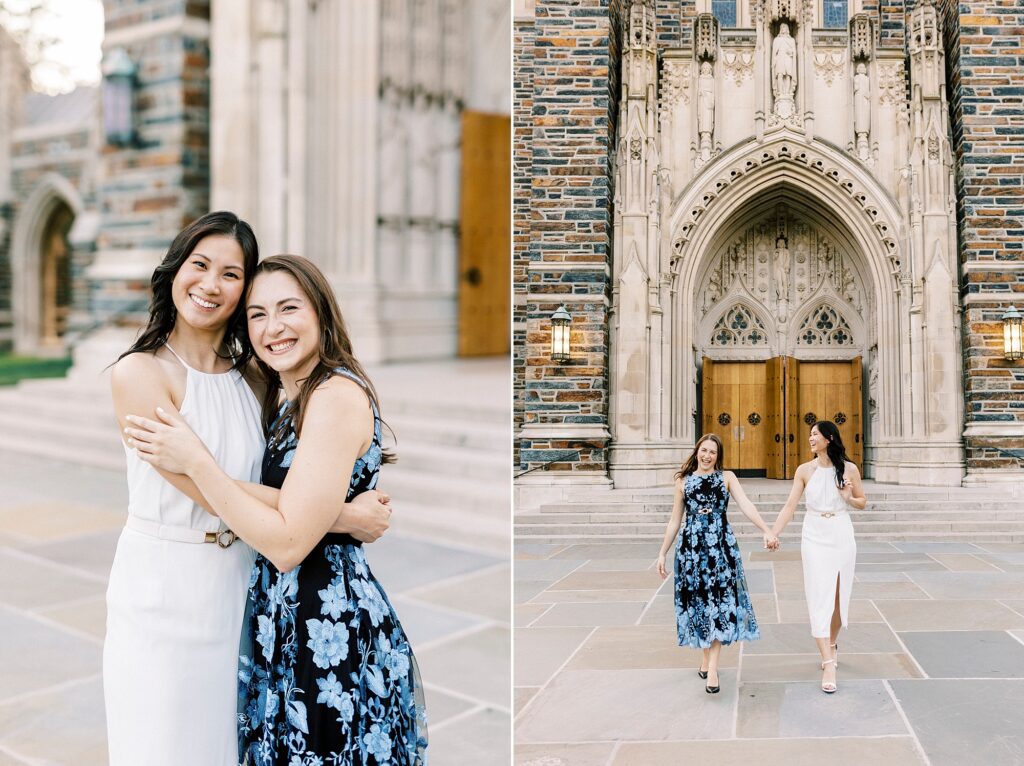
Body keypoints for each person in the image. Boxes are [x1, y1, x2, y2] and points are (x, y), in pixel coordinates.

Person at [105, 214, 390, 766]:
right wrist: (344, 518)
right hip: (165, 587)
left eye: (231, 274)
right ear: (174, 271)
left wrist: (322, 509)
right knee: (162, 742)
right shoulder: (139, 374)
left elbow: (279, 487)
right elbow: (200, 490)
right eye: (200, 266)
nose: (211, 285)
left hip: (243, 583)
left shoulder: (259, 381)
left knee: (233, 747)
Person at [656, 433, 778, 694]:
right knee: (699, 603)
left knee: (719, 603)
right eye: (704, 450)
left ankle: (713, 669)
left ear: (718, 456)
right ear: (697, 451)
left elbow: (746, 505)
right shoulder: (683, 481)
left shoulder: (727, 478)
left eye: (712, 451)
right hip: (691, 551)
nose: (707, 455)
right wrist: (662, 552)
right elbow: (675, 520)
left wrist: (766, 530)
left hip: (720, 549)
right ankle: (705, 656)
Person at [769, 420, 867, 694]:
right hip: (814, 534)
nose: (810, 438)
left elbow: (862, 502)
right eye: (810, 434)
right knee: (817, 595)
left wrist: (847, 496)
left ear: (829, 439)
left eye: (815, 434)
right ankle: (828, 662)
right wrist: (773, 532)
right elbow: (790, 506)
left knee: (837, 596)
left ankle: (831, 643)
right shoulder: (804, 470)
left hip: (841, 532)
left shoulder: (849, 469)